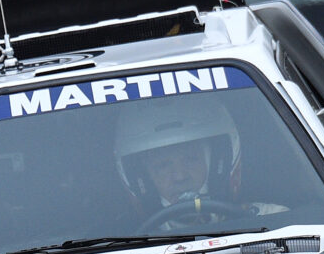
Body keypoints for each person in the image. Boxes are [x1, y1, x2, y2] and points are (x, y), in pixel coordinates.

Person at [114, 97, 281, 229]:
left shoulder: (274, 221)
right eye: (163, 166)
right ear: (142, 179)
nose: (179, 176)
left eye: (190, 159)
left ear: (217, 164)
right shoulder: (120, 243)